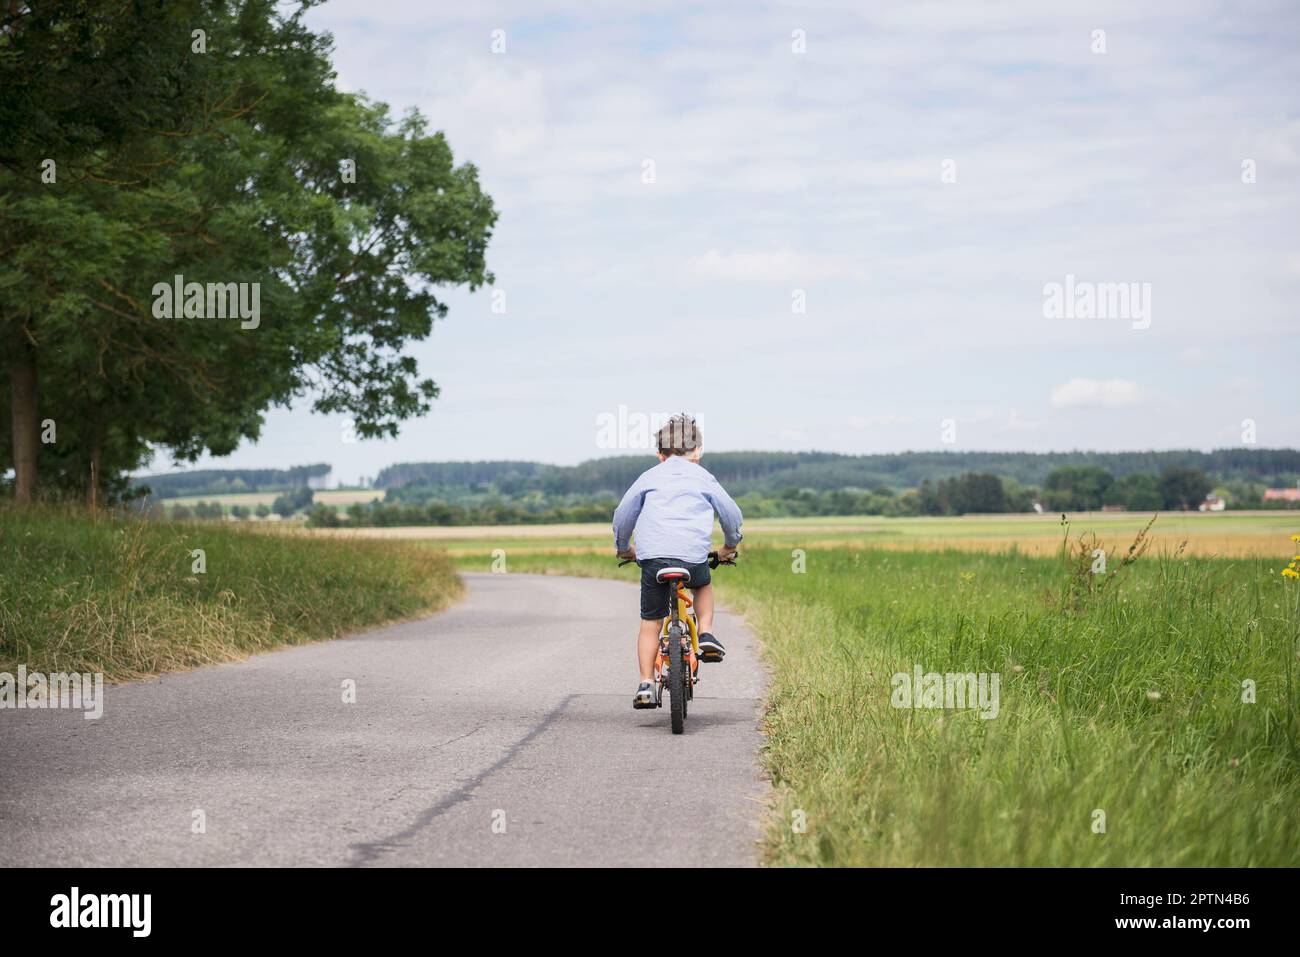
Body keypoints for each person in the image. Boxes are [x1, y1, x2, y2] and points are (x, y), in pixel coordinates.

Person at [612, 413, 743, 709]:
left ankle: (646, 683)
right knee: (703, 585)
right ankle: (706, 632)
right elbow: (731, 514)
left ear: (659, 453)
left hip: (653, 561)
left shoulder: (648, 476)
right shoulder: (703, 476)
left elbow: (623, 516)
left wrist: (623, 548)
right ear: (697, 451)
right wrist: (729, 546)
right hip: (693, 558)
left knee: (650, 623)